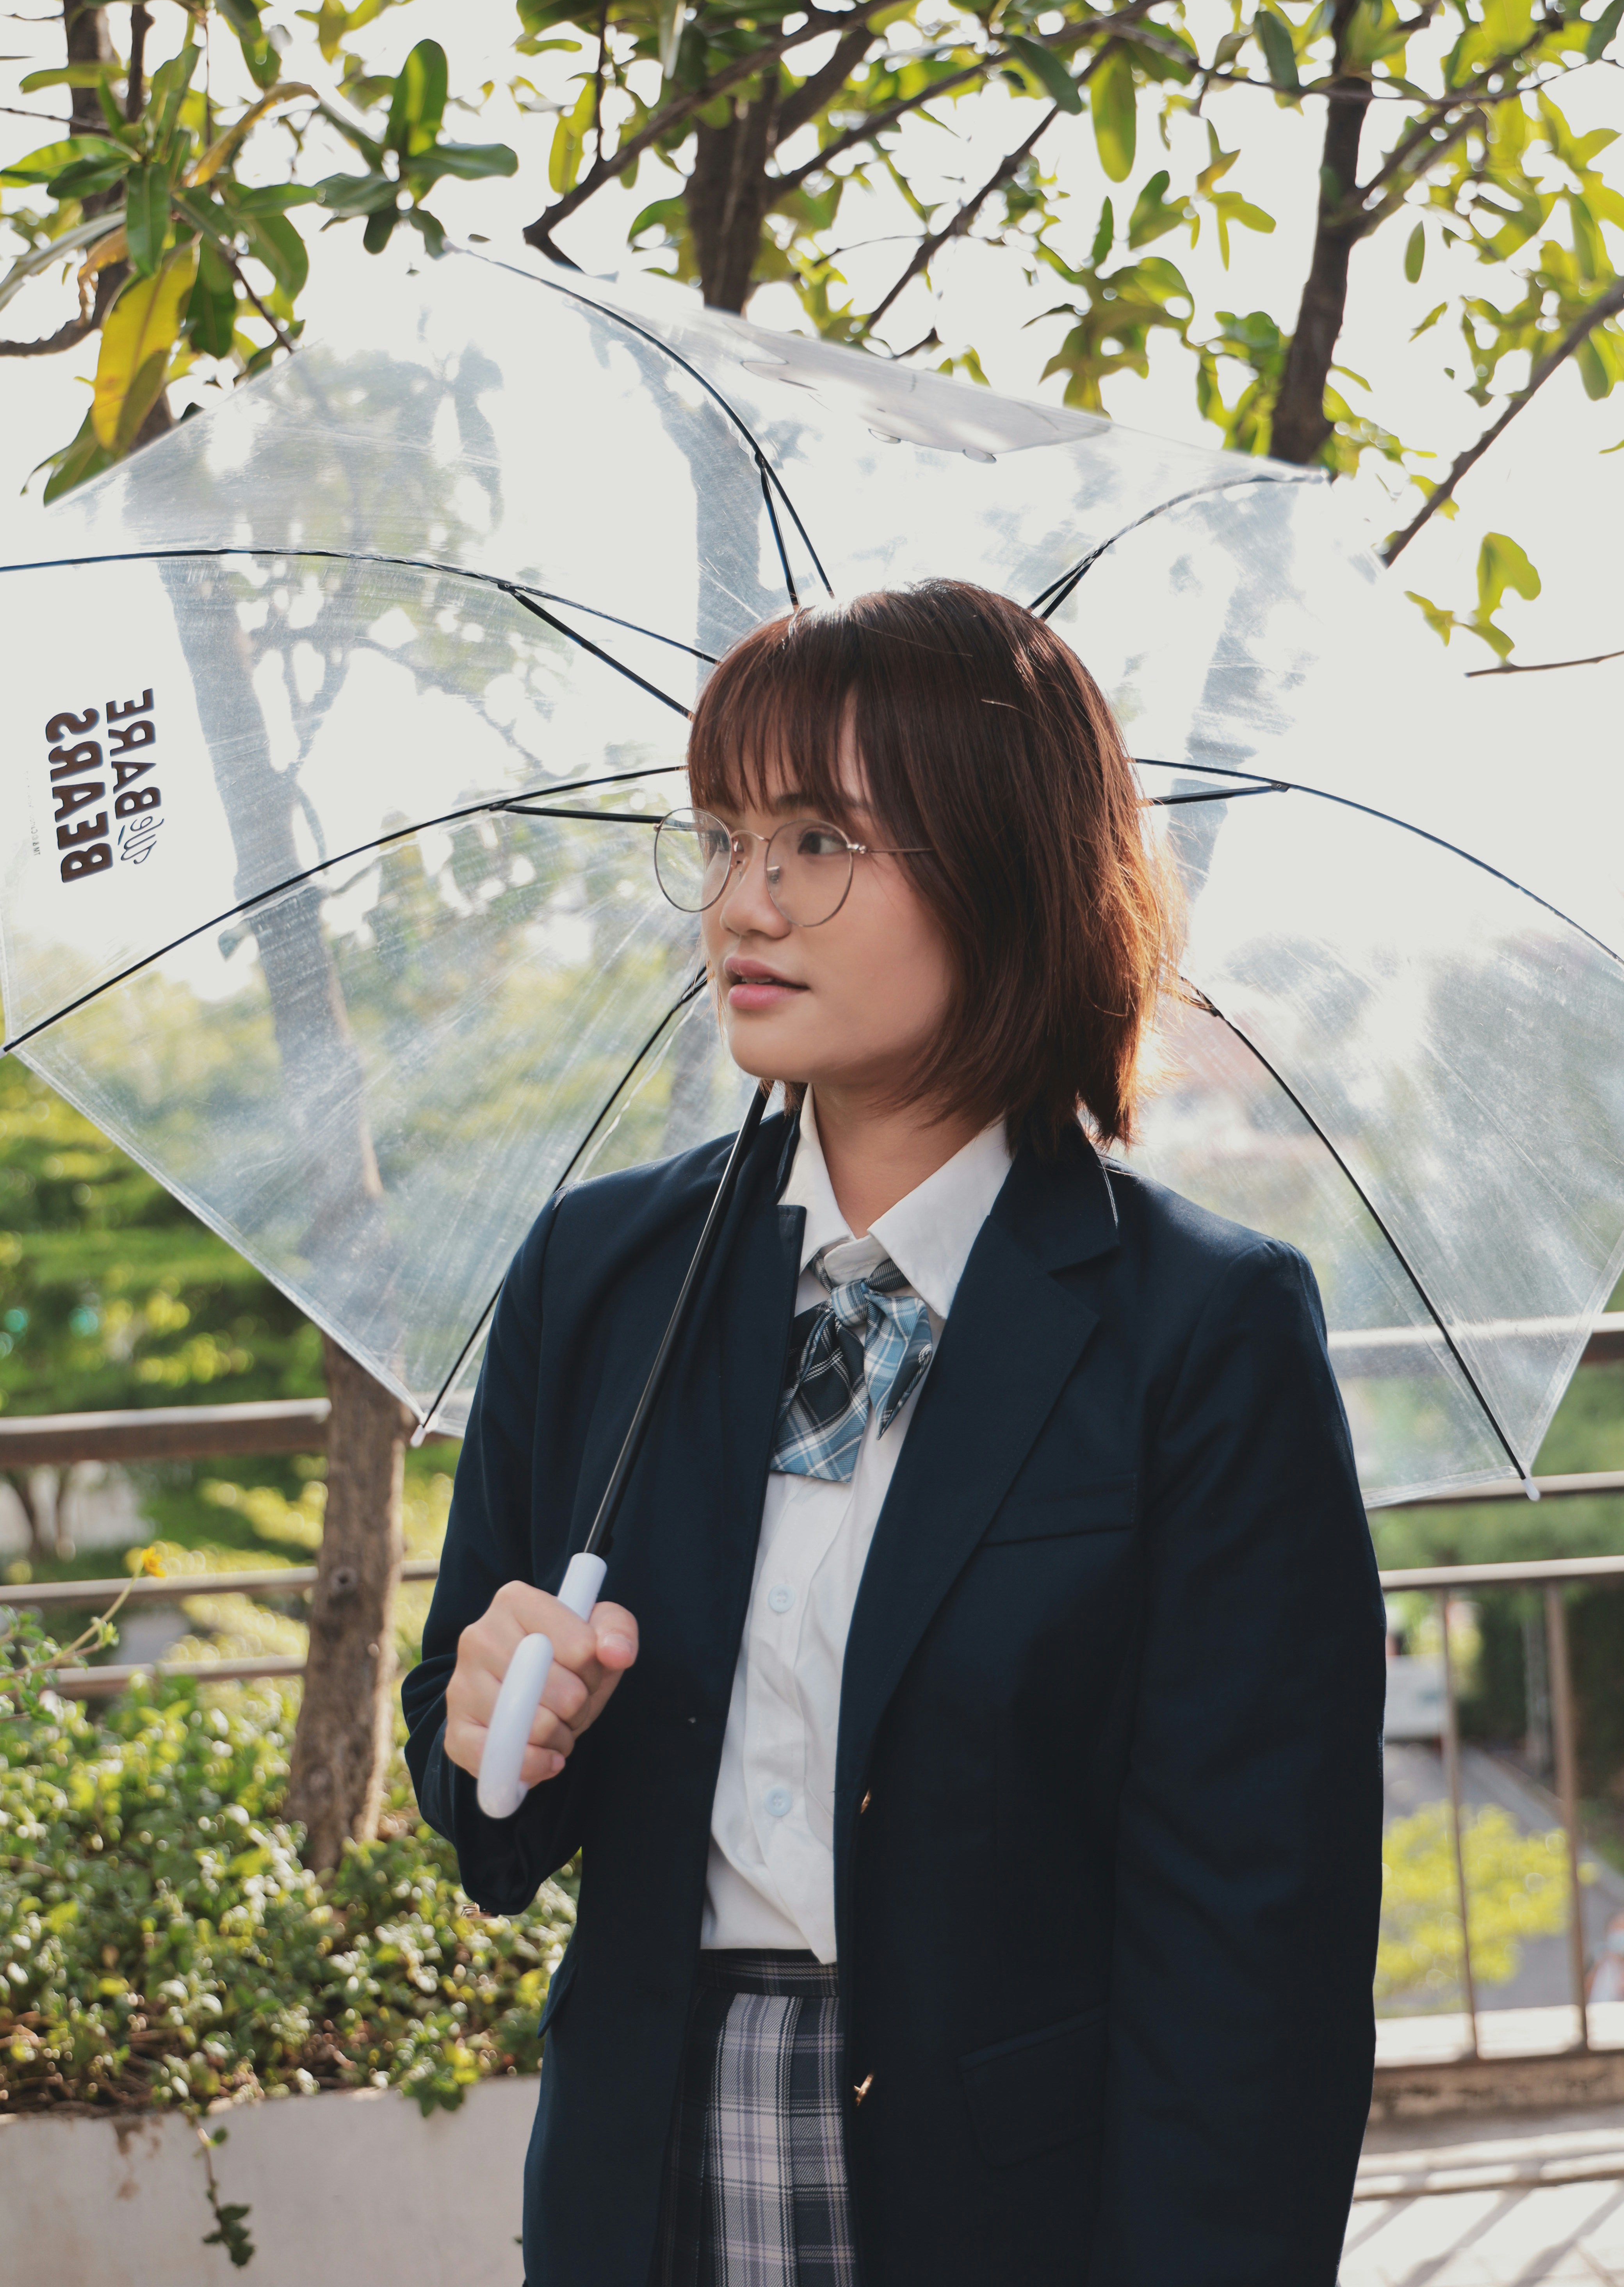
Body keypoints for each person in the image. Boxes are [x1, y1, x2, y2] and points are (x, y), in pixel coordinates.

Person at [402, 580, 1386, 2287]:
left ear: (999, 866)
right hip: (639, 2182)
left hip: (1013, 2202)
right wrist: (500, 1723)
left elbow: (1256, 1945)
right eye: (720, 838)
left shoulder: (1198, 1334)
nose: (742, 900)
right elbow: (481, 1813)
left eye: (812, 840)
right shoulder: (602, 1274)